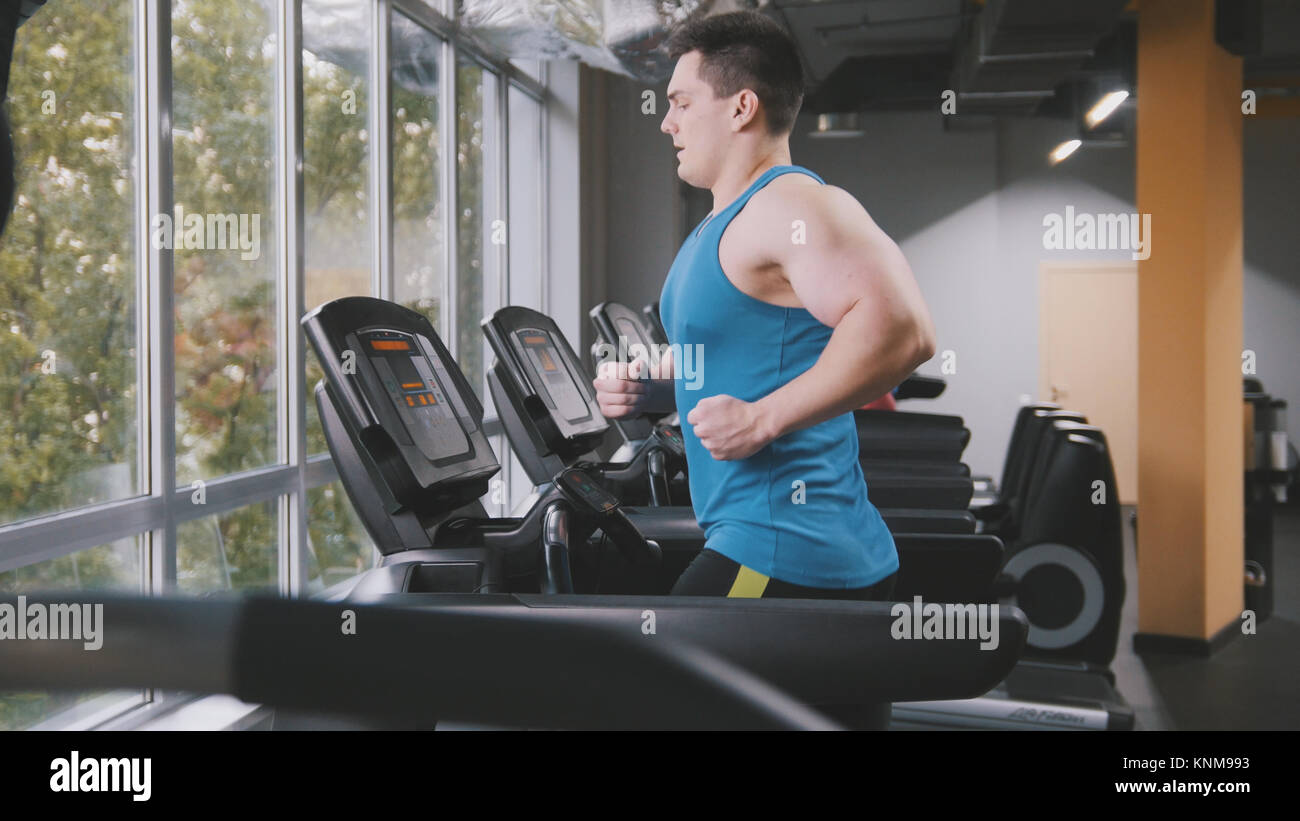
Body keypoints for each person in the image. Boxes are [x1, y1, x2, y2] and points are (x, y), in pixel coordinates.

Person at [593, 10, 936, 601]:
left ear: (741, 108)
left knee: (656, 680)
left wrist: (762, 420)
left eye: (681, 102)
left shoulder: (791, 205)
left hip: (784, 551)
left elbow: (904, 331)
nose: (666, 123)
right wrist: (656, 387)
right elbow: (750, 352)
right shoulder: (726, 220)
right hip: (772, 543)